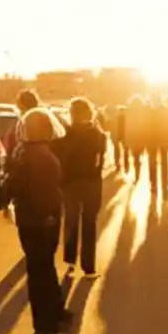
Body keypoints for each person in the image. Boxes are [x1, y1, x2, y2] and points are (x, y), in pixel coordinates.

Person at [5, 108, 72, 334]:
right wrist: (47, 215)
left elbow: (16, 185)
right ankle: (46, 321)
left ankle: (54, 311)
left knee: (41, 267)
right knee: (40, 268)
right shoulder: (38, 155)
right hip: (41, 218)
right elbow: (38, 189)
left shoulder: (25, 152)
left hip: (34, 217)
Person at [60, 97, 106, 277]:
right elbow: (99, 160)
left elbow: (61, 158)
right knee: (89, 223)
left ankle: (70, 262)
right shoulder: (97, 134)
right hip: (91, 182)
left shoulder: (66, 133)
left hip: (70, 183)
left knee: (71, 221)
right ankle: (88, 267)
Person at [149, 94, 168, 199]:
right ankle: (165, 186)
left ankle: (154, 184)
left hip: (153, 141)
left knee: (153, 163)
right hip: (163, 140)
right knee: (164, 164)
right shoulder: (166, 110)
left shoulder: (150, 111)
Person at [126, 95, 149, 181]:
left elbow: (127, 126)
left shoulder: (129, 111)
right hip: (141, 137)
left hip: (133, 137)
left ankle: (137, 172)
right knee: (139, 154)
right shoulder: (144, 111)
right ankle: (138, 168)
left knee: (135, 156)